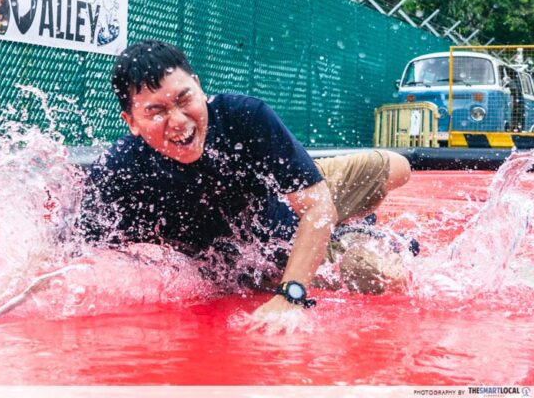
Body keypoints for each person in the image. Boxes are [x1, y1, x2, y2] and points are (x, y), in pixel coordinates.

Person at [78, 39, 413, 330]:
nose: (179, 122)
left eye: (184, 99)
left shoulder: (243, 117)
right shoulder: (121, 173)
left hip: (288, 208)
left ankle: (309, 179)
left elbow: (316, 208)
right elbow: (70, 249)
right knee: (375, 273)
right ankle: (357, 235)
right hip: (278, 252)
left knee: (398, 167)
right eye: (157, 112)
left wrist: (291, 296)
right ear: (131, 122)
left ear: (198, 85)